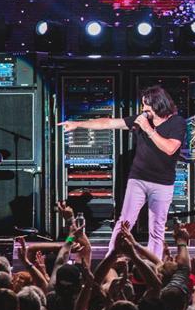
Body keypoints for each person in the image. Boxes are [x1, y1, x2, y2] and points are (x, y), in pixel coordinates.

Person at [60, 85, 185, 254]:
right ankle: (112, 258)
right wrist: (78, 124)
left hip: (163, 183)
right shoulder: (141, 119)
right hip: (138, 179)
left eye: (146, 105)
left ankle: (154, 266)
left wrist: (149, 130)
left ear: (158, 104)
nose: (143, 109)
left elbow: (170, 148)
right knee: (125, 222)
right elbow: (108, 123)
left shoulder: (176, 122)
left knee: (157, 227)